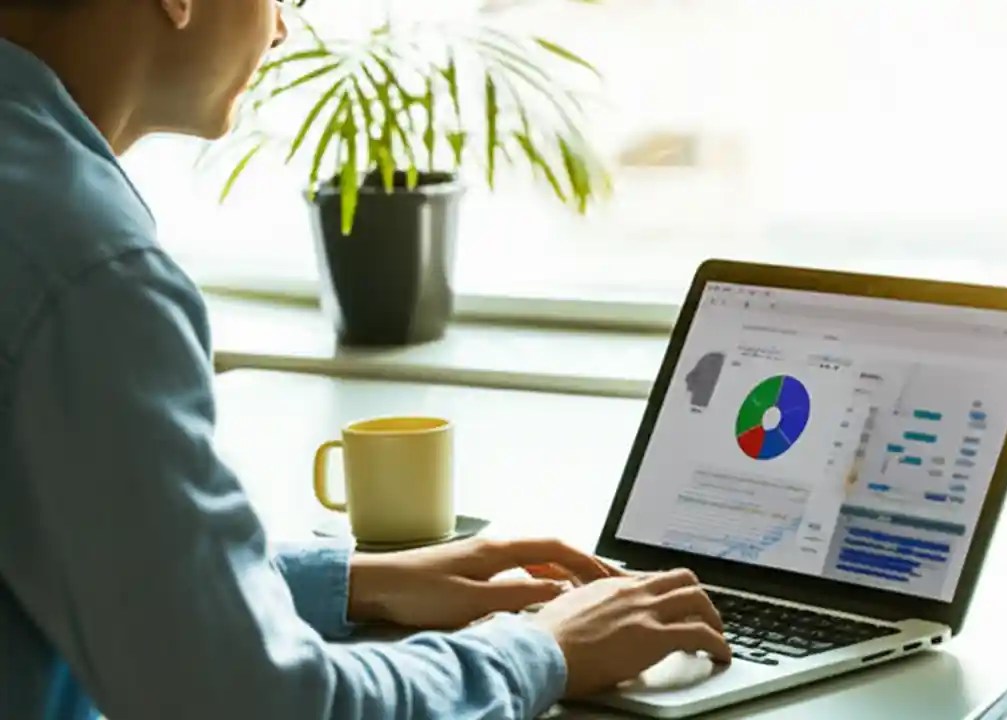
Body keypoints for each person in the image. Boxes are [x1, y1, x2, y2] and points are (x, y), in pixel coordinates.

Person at [0, 1, 732, 718]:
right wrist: (540, 650)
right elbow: (256, 703)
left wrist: (358, 582)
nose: (283, 25)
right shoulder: (88, 268)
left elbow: (105, 572)